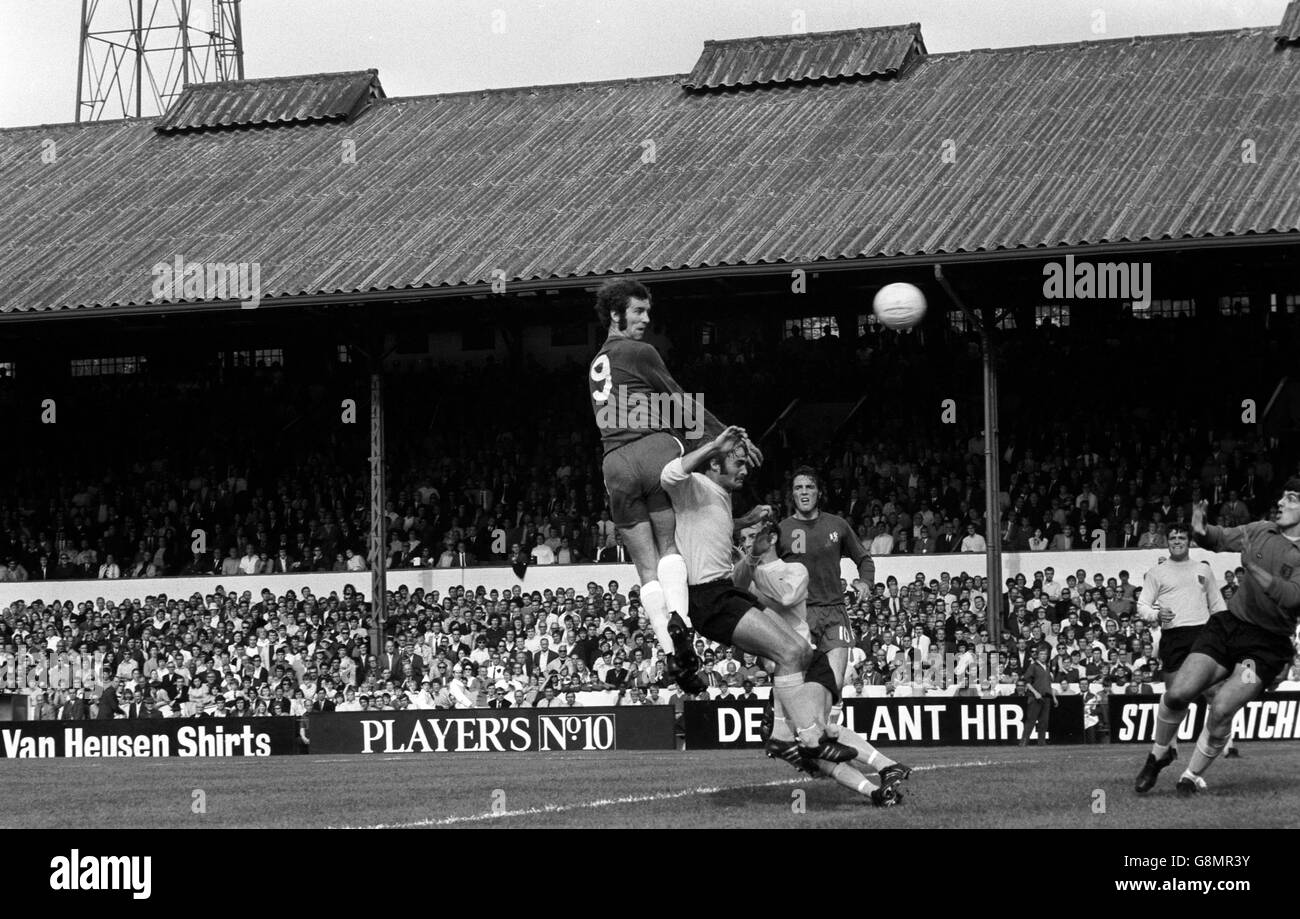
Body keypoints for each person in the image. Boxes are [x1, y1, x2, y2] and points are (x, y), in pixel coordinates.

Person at [588, 278, 760, 693]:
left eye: (648, 311)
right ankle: (681, 622)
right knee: (670, 549)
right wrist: (729, 438)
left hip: (613, 463)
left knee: (645, 569)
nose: (646, 319)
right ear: (615, 314)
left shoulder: (596, 361)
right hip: (652, 448)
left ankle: (671, 654)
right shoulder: (640, 352)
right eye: (638, 311)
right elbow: (679, 399)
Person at [660, 425, 855, 768]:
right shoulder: (694, 484)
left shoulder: (718, 493)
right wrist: (716, 445)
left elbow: (710, 528)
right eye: (738, 462)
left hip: (725, 591)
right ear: (716, 464)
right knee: (791, 652)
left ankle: (783, 738)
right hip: (708, 597)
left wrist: (745, 521)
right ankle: (808, 737)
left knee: (797, 652)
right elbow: (668, 475)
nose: (746, 470)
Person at [1135, 487, 1300, 797]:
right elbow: (1218, 538)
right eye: (1281, 497)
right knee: (1178, 694)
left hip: (1264, 647)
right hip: (1229, 627)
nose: (1280, 502)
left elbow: (1292, 598)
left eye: (1291, 499)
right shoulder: (1261, 529)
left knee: (1222, 708)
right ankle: (1159, 753)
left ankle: (1191, 775)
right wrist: (1200, 527)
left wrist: (1252, 567)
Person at [735, 519, 909, 806]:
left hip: (803, 662)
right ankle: (876, 791)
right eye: (744, 538)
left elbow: (787, 596)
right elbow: (735, 594)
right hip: (781, 670)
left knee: (820, 732)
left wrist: (752, 568)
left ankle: (886, 766)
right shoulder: (746, 575)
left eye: (754, 536)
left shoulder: (794, 569)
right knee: (810, 748)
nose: (748, 543)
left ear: (772, 537)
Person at [776, 466, 876, 725]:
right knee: (800, 682)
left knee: (836, 682)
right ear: (792, 495)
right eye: (798, 487)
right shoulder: (781, 530)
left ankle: (829, 734)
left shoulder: (837, 525)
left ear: (819, 492)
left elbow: (864, 559)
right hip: (798, 615)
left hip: (833, 611)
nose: (804, 492)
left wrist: (865, 581)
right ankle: (796, 730)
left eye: (809, 487)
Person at [1133, 521, 1236, 770]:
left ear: (1188, 541)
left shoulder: (1203, 569)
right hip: (1173, 637)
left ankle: (1227, 745)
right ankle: (1170, 747)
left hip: (1202, 635)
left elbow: (1218, 606)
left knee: (1213, 693)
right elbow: (1142, 605)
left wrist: (1224, 635)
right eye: (1172, 538)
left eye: (1181, 537)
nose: (1177, 541)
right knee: (1175, 697)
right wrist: (1156, 615)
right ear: (1167, 542)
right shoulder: (1156, 573)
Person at [1019, 647, 1057, 746]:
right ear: (1037, 655)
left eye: (1045, 654)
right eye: (1041, 654)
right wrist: (1035, 692)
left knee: (1044, 722)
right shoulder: (1033, 666)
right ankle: (1024, 742)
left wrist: (1054, 697)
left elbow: (1048, 684)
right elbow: (1026, 682)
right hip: (1035, 697)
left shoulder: (1047, 667)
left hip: (1047, 696)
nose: (1043, 656)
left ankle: (1041, 742)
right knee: (1031, 720)